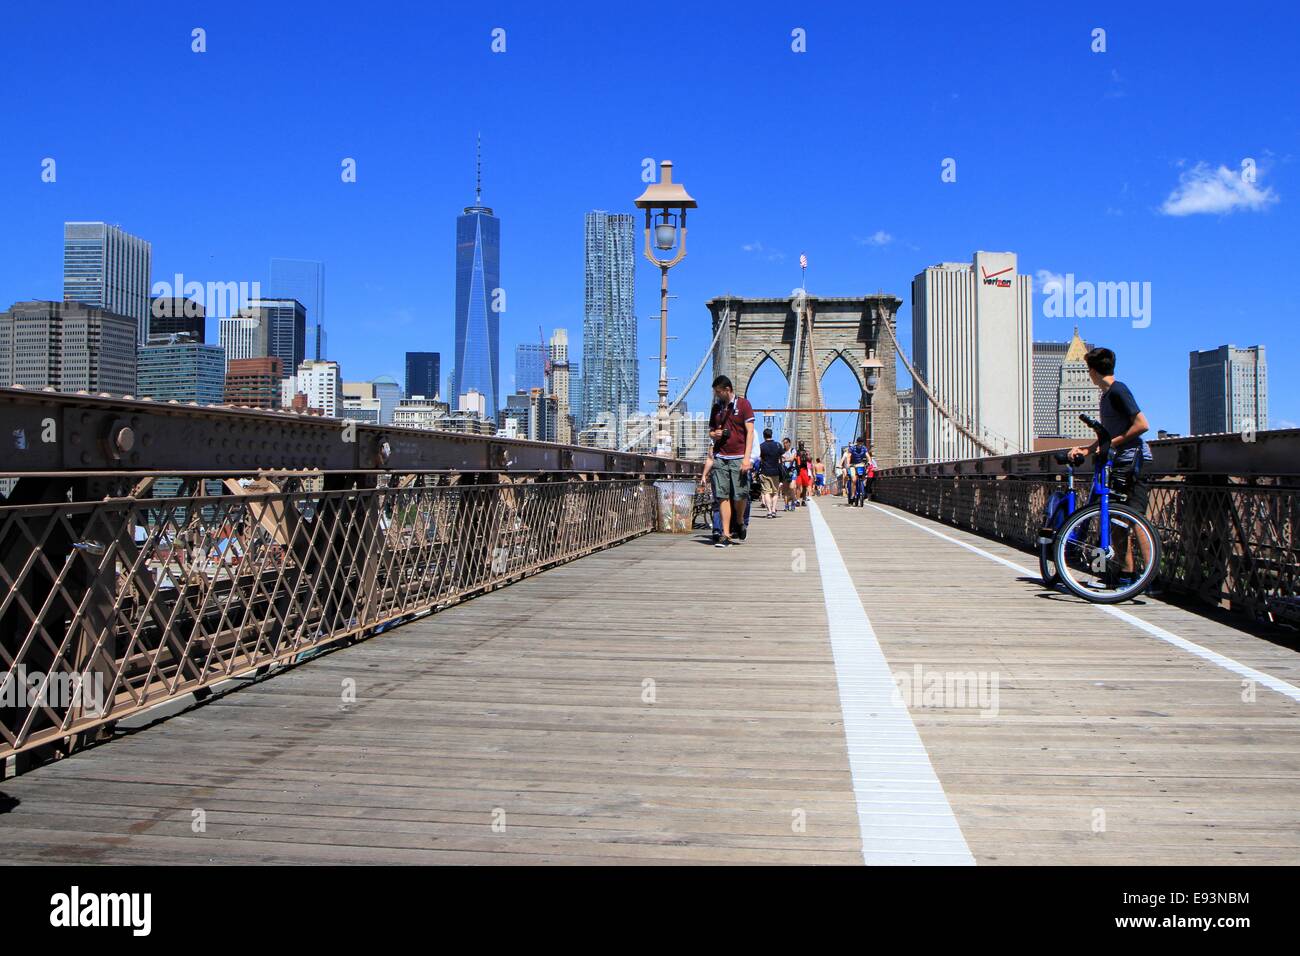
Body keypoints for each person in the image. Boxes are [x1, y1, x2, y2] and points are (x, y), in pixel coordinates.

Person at [1067, 346, 1153, 583]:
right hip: (1119, 460)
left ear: (1092, 371)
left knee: (1136, 520)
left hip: (1134, 460)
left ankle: (1151, 578)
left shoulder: (1118, 391)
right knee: (1115, 519)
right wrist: (1091, 448)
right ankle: (1126, 574)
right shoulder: (1106, 395)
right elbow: (1110, 435)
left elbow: (1142, 424)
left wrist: (1110, 444)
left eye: (1088, 369)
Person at [707, 375, 756, 548]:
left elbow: (750, 432)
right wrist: (716, 434)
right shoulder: (716, 408)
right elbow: (711, 431)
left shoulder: (744, 405)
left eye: (718, 392)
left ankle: (740, 520)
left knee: (740, 495)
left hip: (738, 457)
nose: (716, 395)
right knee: (722, 496)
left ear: (727, 390)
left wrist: (747, 458)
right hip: (721, 457)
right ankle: (725, 534)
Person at [757, 427, 784, 517]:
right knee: (775, 492)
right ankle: (773, 510)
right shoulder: (778, 445)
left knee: (766, 492)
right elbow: (781, 457)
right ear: (771, 435)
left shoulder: (761, 446)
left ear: (764, 436)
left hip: (765, 471)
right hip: (775, 471)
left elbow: (759, 459)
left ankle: (769, 511)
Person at [846, 435, 869, 505]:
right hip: (852, 465)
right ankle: (853, 495)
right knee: (853, 479)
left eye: (861, 443)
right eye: (859, 443)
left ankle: (862, 489)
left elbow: (867, 455)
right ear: (857, 442)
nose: (860, 444)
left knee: (864, 476)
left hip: (860, 464)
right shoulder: (852, 448)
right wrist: (848, 464)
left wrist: (870, 462)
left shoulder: (864, 448)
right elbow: (849, 456)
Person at [780, 437, 797, 511]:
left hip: (792, 471)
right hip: (784, 471)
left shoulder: (793, 450)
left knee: (791, 488)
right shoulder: (782, 451)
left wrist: (784, 459)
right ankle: (786, 505)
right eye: (784, 443)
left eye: (786, 442)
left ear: (789, 443)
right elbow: (779, 460)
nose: (785, 444)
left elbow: (792, 458)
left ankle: (793, 502)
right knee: (785, 490)